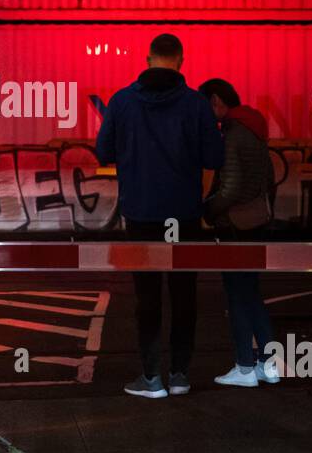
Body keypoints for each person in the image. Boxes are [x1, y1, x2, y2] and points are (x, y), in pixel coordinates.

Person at [96, 34, 224, 399]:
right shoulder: (196, 104)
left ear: (148, 58)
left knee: (147, 297)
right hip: (183, 214)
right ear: (181, 61)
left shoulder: (122, 101)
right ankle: (180, 374)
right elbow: (214, 158)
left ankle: (151, 378)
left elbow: (103, 151)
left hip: (141, 212)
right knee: (184, 294)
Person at [198, 78, 280, 388]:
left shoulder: (232, 134)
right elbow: (269, 180)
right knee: (252, 294)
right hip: (258, 221)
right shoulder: (256, 129)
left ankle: (244, 366)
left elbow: (230, 187)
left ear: (216, 101)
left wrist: (208, 209)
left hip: (235, 226)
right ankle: (269, 365)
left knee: (236, 295)